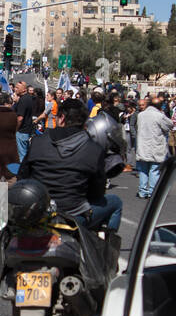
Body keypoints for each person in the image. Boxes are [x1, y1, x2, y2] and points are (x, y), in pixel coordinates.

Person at [18, 98, 122, 232]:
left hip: (40, 212)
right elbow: (97, 192)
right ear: (85, 122)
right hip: (74, 215)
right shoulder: (94, 149)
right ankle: (102, 249)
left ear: (61, 118)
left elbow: (23, 176)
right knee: (115, 202)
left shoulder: (38, 141)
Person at [134, 96, 176, 198]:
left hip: (143, 145)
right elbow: (168, 125)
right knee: (154, 170)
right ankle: (152, 191)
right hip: (155, 145)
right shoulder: (159, 115)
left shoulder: (141, 115)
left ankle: (142, 191)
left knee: (143, 169)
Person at [12, 73, 45, 163]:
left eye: (17, 88)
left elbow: (20, 118)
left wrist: (15, 129)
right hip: (26, 130)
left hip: (21, 131)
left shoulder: (23, 100)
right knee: (25, 153)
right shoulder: (28, 98)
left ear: (23, 89)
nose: (15, 89)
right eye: (15, 87)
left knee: (22, 155)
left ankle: (22, 174)